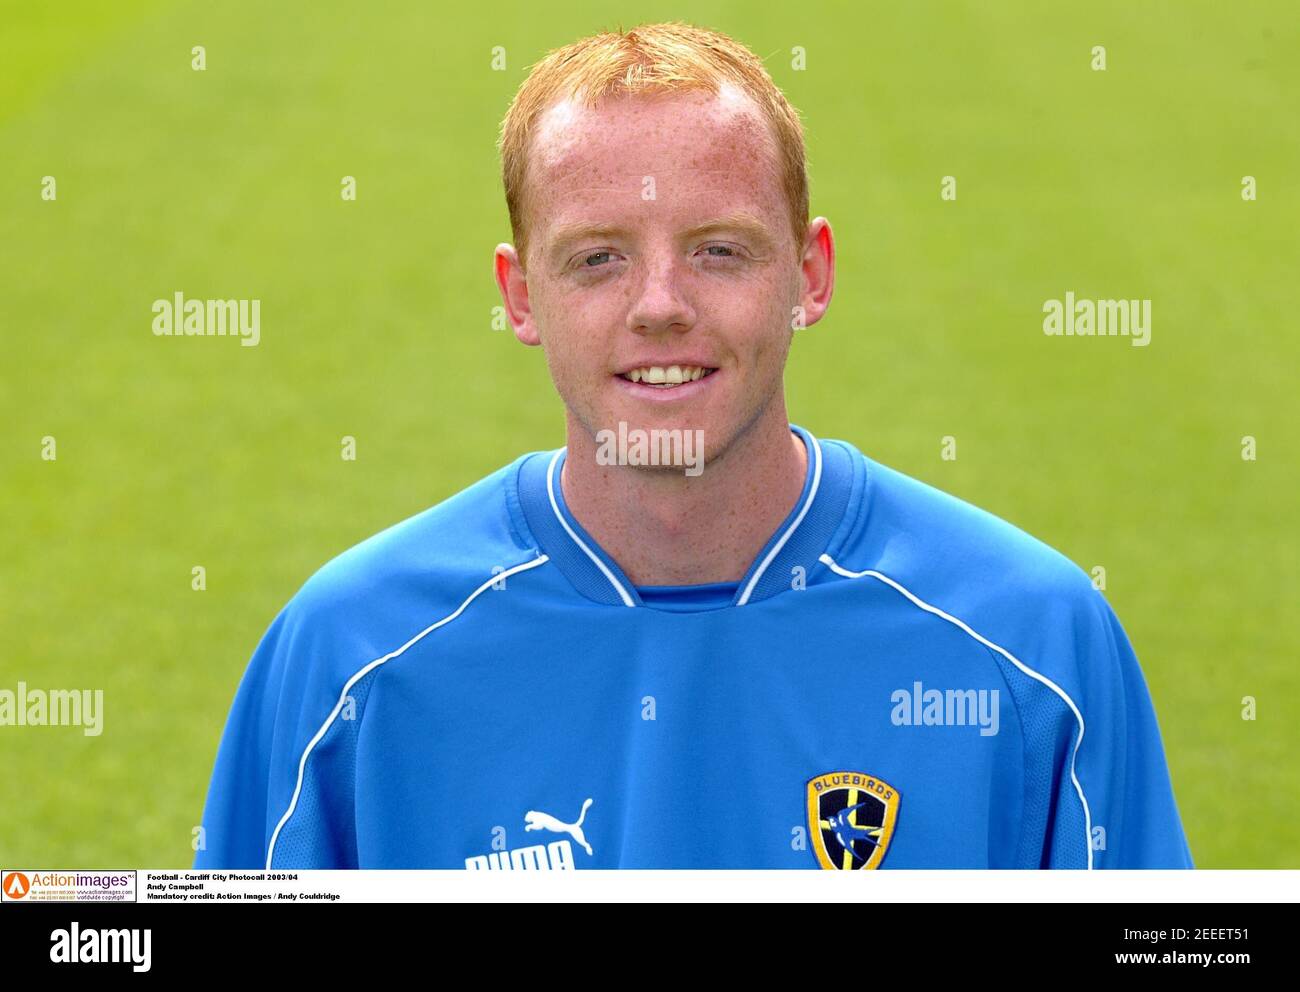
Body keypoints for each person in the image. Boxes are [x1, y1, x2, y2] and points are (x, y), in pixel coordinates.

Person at [194, 21, 1193, 870]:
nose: (661, 306)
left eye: (719, 250)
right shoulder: (348, 660)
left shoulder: (1033, 645)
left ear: (809, 273)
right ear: (519, 296)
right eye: (597, 260)